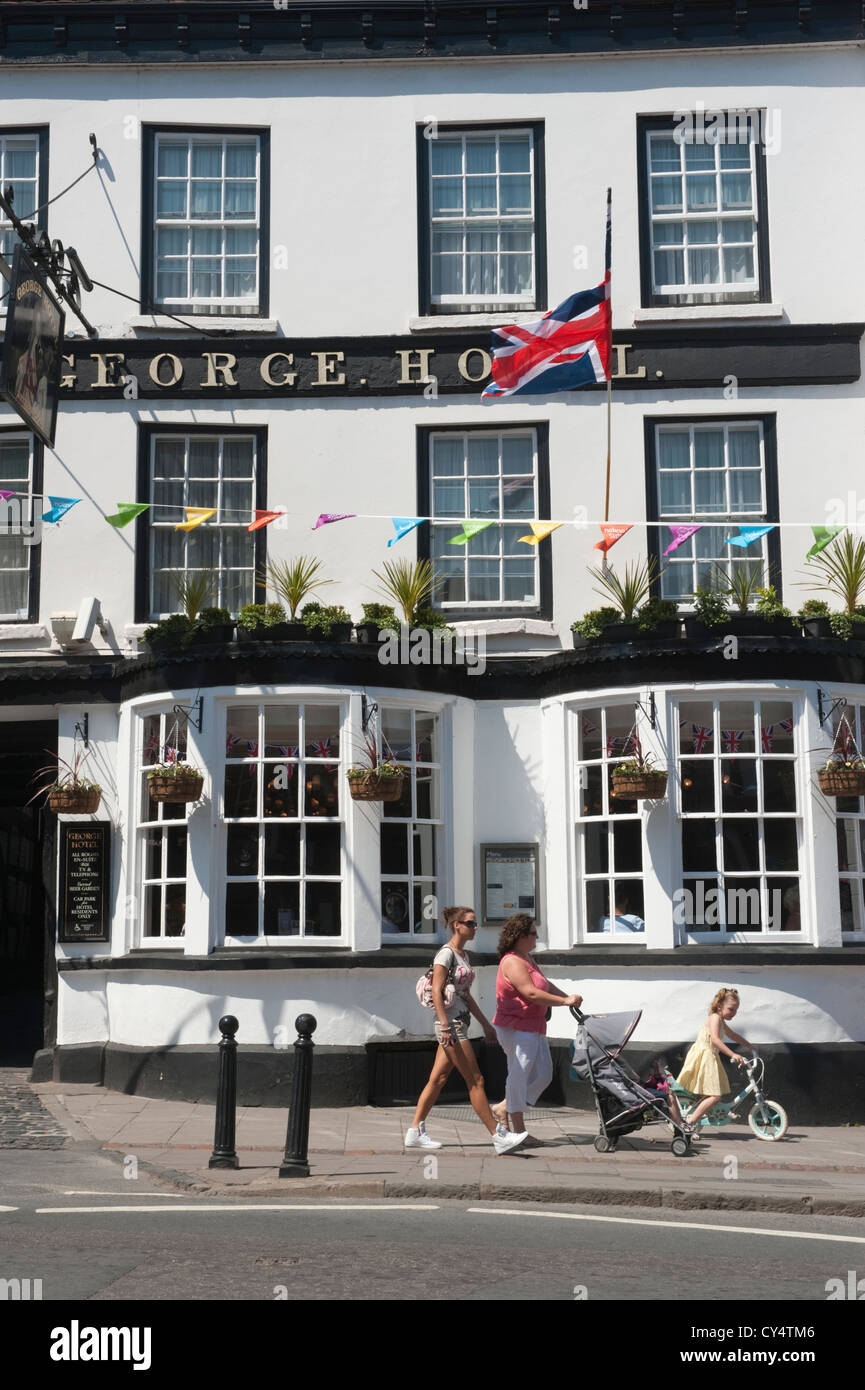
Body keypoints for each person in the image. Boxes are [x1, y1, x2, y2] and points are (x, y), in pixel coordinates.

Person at [404, 906, 529, 1155]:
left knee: (438, 1079)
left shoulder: (463, 956)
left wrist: (485, 1025)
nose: (475, 928)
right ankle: (498, 1135)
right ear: (457, 925)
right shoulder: (445, 955)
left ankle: (414, 1132)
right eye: (470, 924)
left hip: (459, 1024)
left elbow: (466, 996)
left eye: (474, 923)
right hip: (451, 1027)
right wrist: (446, 1026)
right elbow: (437, 992)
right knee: (476, 1080)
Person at [491, 913, 582, 1138]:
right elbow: (530, 992)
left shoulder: (527, 958)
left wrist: (567, 996)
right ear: (520, 936)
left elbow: (544, 985)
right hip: (516, 1027)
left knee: (543, 1074)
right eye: (533, 933)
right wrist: (564, 1002)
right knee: (518, 1075)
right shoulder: (512, 961)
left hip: (534, 1026)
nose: (537, 937)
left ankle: (503, 1106)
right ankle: (519, 1130)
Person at [677, 987, 752, 1132]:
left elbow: (733, 1035)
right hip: (705, 1056)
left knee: (711, 1094)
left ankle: (696, 1120)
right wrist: (733, 1055)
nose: (734, 1013)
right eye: (731, 1009)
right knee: (715, 1096)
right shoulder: (715, 1017)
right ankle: (690, 1123)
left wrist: (748, 1045)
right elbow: (716, 1040)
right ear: (719, 1006)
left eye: (736, 1010)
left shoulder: (721, 1020)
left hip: (710, 1056)